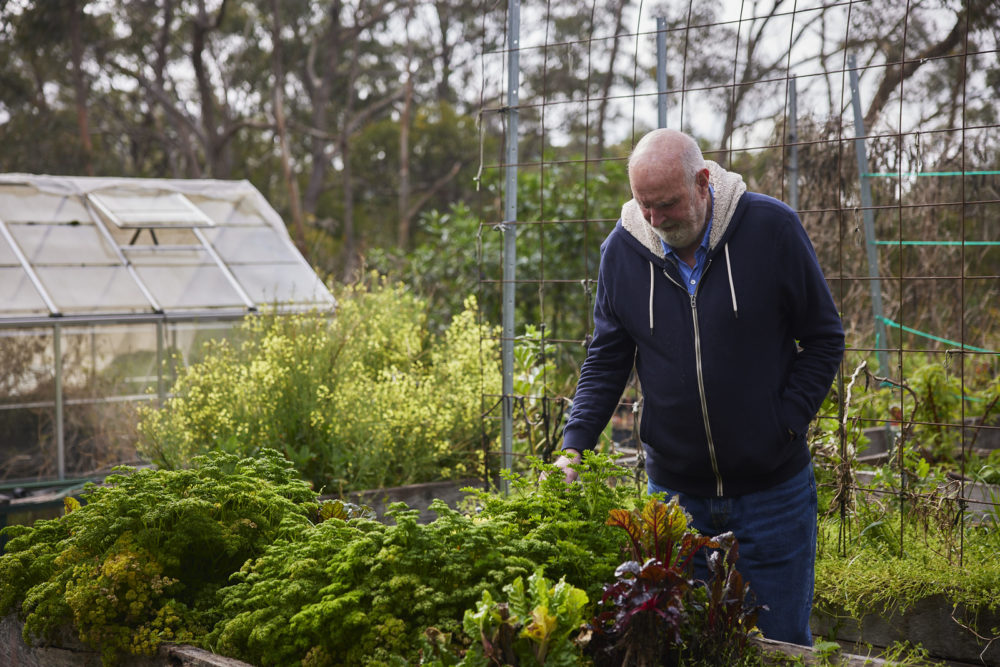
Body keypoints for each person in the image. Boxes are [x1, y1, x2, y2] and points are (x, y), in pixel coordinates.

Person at [553, 128, 845, 646]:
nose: (655, 220)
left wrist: (785, 423)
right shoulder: (621, 252)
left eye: (666, 204)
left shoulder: (770, 229)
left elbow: (823, 339)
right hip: (675, 498)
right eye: (644, 206)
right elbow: (606, 360)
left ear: (703, 181)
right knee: (682, 646)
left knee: (779, 646)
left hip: (772, 492)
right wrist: (573, 448)